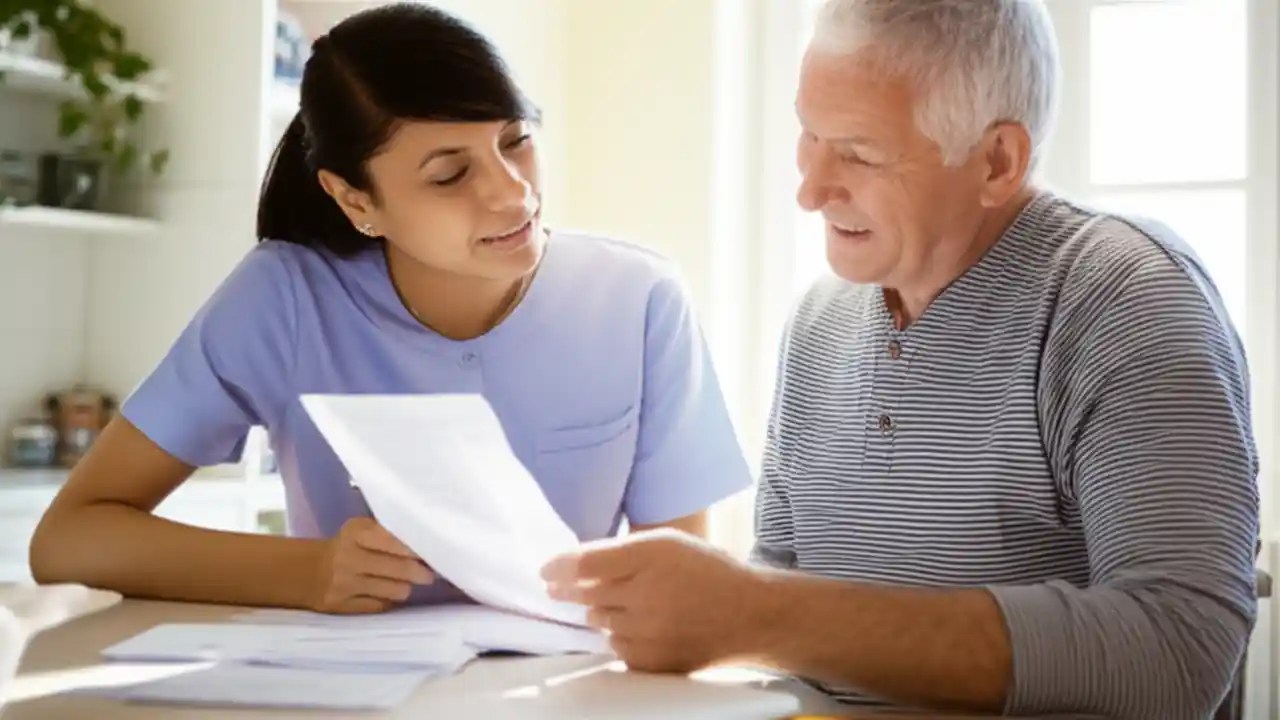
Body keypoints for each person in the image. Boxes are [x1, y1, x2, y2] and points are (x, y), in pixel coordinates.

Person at [543, 1, 1260, 718]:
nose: (809, 190)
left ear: (997, 161)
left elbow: (1180, 649)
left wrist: (757, 614)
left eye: (858, 153)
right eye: (808, 133)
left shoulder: (1126, 299)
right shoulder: (819, 322)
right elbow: (783, 613)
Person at [29, 3, 750, 615]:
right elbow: (69, 539)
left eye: (516, 141)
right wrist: (308, 573)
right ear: (355, 200)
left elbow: (679, 592)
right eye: (450, 174)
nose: (512, 192)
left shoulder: (640, 300)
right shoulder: (283, 299)